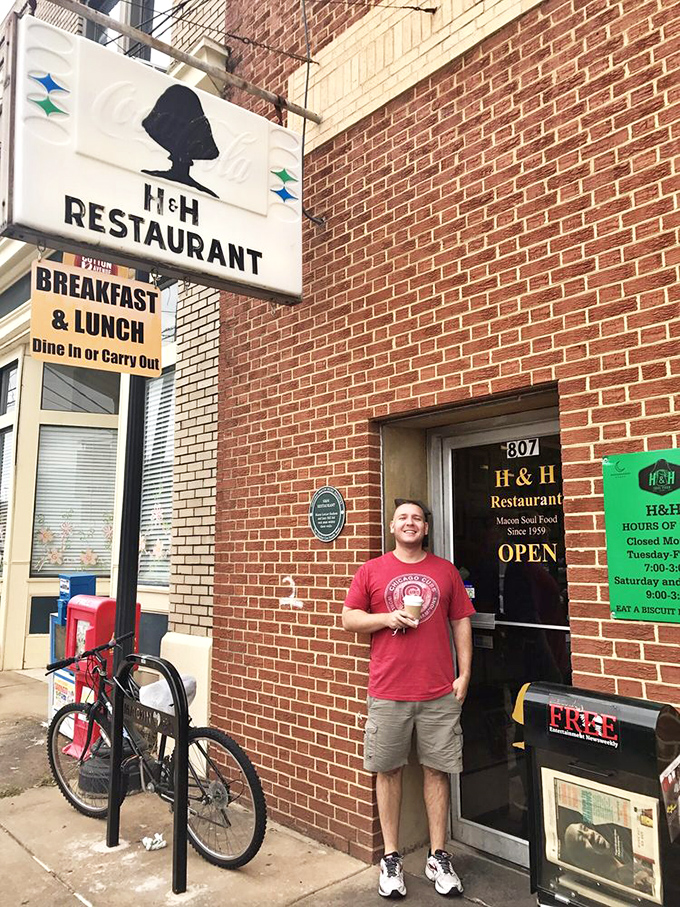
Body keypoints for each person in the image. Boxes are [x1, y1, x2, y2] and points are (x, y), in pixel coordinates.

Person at [342, 499, 474, 899]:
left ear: (426, 528)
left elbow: (461, 622)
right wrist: (387, 618)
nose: (410, 523)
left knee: (437, 771)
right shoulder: (372, 570)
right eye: (403, 518)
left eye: (417, 518)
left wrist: (464, 674)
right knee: (389, 771)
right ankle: (392, 858)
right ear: (392, 526)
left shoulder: (445, 571)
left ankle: (438, 856)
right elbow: (349, 618)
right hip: (388, 691)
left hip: (438, 691)